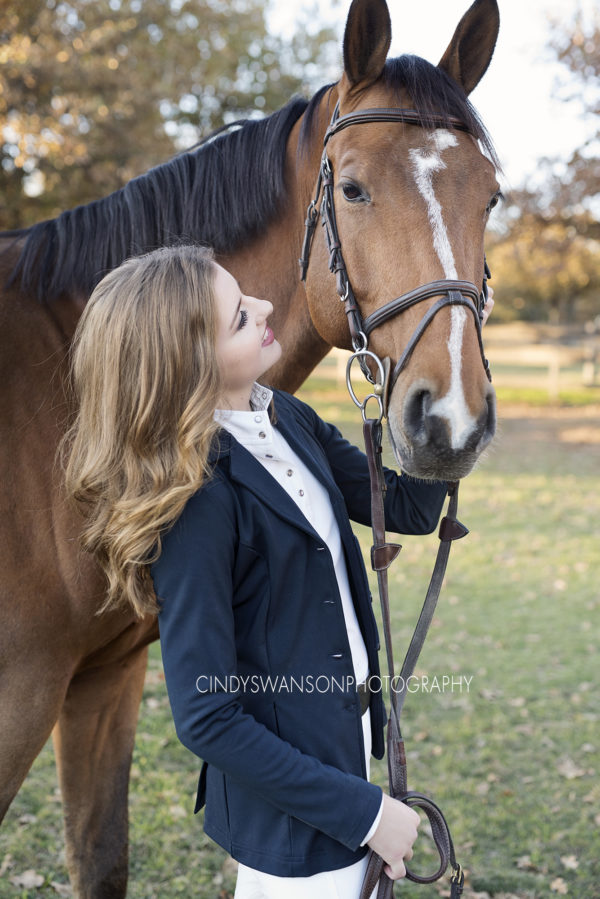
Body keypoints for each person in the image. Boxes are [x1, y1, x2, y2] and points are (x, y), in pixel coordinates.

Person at [63, 244, 479, 899]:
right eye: (237, 317)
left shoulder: (287, 416)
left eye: (246, 295)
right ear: (186, 362)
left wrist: (446, 407)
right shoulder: (197, 497)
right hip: (300, 812)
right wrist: (365, 812)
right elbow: (205, 716)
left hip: (336, 752)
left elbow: (404, 505)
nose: (262, 307)